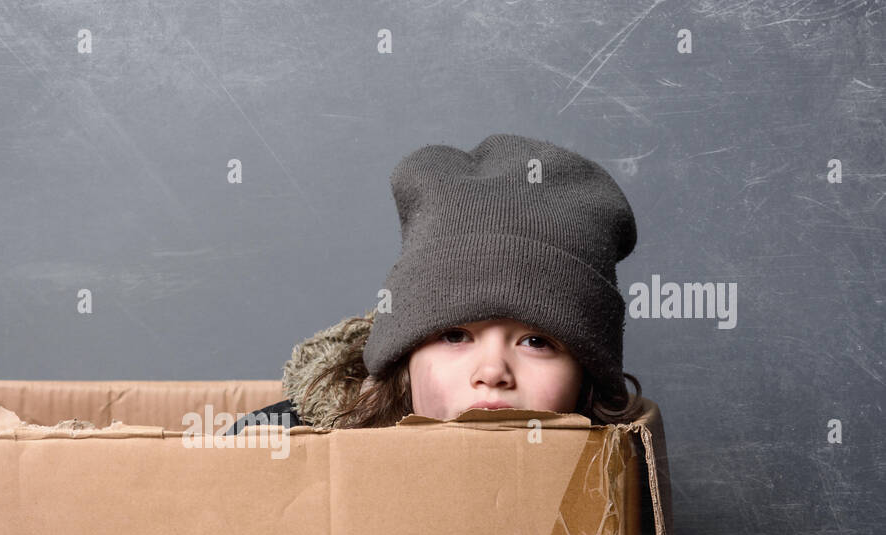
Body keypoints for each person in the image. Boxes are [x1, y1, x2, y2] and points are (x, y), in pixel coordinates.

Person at [226, 133, 644, 437]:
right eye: (455, 335)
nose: (492, 373)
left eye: (536, 342)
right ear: (403, 355)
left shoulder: (616, 480)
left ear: (588, 377)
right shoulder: (271, 445)